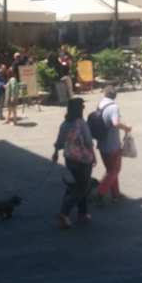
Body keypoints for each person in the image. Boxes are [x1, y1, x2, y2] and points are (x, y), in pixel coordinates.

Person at [52, 98, 95, 229]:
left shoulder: (64, 124)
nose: (83, 108)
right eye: (82, 106)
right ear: (78, 109)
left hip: (69, 159)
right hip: (82, 160)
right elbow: (88, 141)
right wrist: (93, 156)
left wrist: (55, 153)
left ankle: (83, 213)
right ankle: (64, 213)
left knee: (75, 185)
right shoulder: (81, 123)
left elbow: (59, 142)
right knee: (83, 187)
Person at [95, 86, 131, 204]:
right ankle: (100, 192)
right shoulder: (113, 107)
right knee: (114, 170)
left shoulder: (101, 104)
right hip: (112, 145)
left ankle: (116, 195)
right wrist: (126, 128)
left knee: (111, 169)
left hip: (102, 143)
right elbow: (115, 123)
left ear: (105, 94)